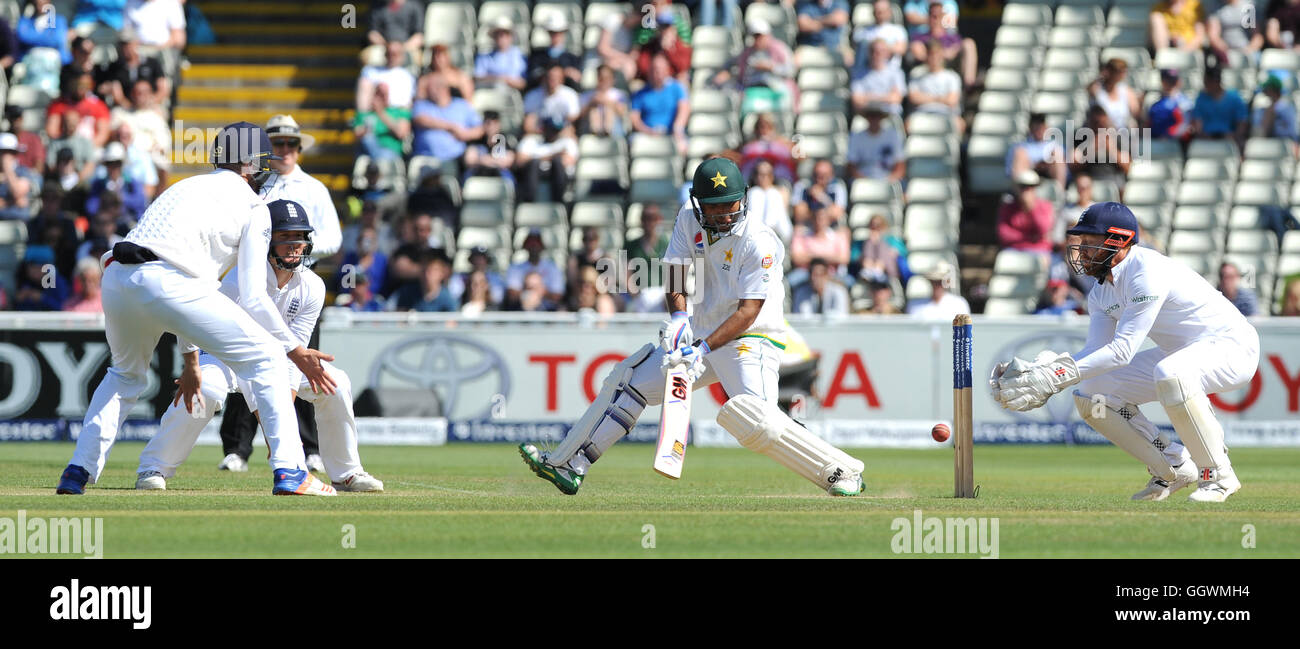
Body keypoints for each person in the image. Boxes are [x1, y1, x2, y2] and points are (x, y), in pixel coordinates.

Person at [518, 157, 867, 497]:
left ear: (743, 199)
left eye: (730, 205)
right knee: (628, 381)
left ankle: (841, 470)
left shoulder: (759, 241)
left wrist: (701, 348)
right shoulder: (689, 218)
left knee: (754, 419)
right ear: (699, 204)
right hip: (700, 333)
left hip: (751, 338)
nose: (724, 213)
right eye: (714, 207)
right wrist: (679, 320)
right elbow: (674, 274)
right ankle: (568, 464)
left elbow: (748, 311)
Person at [54, 121, 337, 497]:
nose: (268, 168)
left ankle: (78, 470)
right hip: (169, 280)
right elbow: (251, 297)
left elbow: (184, 284)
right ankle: (291, 471)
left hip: (118, 277)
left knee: (124, 376)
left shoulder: (184, 186)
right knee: (269, 357)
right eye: (263, 160)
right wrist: (295, 349)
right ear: (251, 163)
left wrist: (191, 362)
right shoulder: (256, 207)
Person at [991, 202, 1260, 503]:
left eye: (1090, 242)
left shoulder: (1147, 271)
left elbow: (1121, 352)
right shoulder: (1101, 292)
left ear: (1118, 241)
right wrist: (1049, 373)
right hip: (1183, 351)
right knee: (1092, 392)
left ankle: (1218, 476)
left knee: (1171, 373)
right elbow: (1098, 351)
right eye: (1081, 242)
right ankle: (1174, 465)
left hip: (1233, 347)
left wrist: (1055, 376)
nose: (1082, 250)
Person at [135, 199, 383, 492]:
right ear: (265, 241)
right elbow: (248, 365)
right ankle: (153, 467)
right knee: (208, 391)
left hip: (276, 360)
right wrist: (274, 435)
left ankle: (346, 473)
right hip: (222, 355)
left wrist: (280, 435)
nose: (295, 245)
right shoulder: (238, 280)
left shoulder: (313, 287)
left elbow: (293, 362)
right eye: (285, 237)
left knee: (336, 382)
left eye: (300, 237)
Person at [260, 115, 343, 262]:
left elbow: (333, 239)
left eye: (292, 143)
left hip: (303, 275)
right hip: (261, 272)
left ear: (299, 148)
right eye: (278, 143)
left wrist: (296, 247)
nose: (285, 149)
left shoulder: (315, 188)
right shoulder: (254, 186)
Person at [712, 18, 795, 120]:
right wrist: (726, 72)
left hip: (775, 90)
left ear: (767, 35)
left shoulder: (779, 49)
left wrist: (771, 67)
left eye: (760, 36)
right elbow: (732, 63)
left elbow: (790, 70)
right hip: (752, 91)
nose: (758, 39)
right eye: (755, 36)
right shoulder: (747, 53)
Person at [412, 76, 484, 161]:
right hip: (426, 158)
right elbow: (420, 119)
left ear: (444, 88)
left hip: (457, 158)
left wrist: (466, 134)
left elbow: (480, 129)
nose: (428, 91)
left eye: (433, 87)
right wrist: (450, 127)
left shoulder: (461, 105)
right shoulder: (421, 105)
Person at [907, 1, 977, 87]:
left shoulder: (952, 37)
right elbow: (918, 52)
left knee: (969, 43)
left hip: (949, 72)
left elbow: (957, 49)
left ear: (944, 17)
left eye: (939, 16)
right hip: (927, 73)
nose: (936, 19)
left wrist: (951, 51)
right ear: (928, 18)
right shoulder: (921, 37)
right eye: (933, 16)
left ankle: (969, 85)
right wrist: (939, 55)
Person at [630, 54, 690, 153]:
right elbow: (634, 118)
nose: (656, 73)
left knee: (681, 144)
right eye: (653, 69)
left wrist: (677, 128)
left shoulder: (676, 88)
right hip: (647, 134)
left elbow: (684, 109)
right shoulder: (641, 93)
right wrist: (648, 131)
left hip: (671, 133)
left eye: (659, 69)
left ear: (667, 70)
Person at [515, 115, 577, 203]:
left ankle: (559, 202)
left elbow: (568, 161)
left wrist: (540, 157)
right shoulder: (531, 141)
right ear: (543, 129)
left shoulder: (567, 142)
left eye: (556, 130)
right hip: (536, 174)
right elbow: (520, 161)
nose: (554, 133)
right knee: (534, 163)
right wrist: (553, 155)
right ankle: (528, 201)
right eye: (551, 129)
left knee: (557, 162)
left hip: (558, 175)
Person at [907, 40, 964, 134]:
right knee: (908, 124)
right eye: (931, 54)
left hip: (946, 114)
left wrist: (926, 98)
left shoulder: (952, 76)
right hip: (922, 113)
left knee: (959, 124)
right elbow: (914, 98)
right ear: (927, 56)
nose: (934, 58)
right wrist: (940, 98)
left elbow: (952, 100)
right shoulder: (916, 74)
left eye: (937, 54)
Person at [998, 170, 1056, 256]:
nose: (1026, 191)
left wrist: (1031, 208)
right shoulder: (1007, 207)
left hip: (1039, 250)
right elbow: (1003, 234)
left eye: (1030, 187)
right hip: (1014, 250)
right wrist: (1028, 237)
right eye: (1022, 187)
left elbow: (1043, 230)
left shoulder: (1046, 206)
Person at [506, 229, 566, 308]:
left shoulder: (553, 268)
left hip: (549, 310)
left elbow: (558, 295)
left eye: (537, 243)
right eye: (530, 243)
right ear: (525, 246)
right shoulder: (515, 268)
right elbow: (512, 294)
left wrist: (541, 291)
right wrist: (528, 291)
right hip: (521, 309)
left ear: (542, 246)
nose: (534, 246)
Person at [847, 103, 905, 182]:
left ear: (881, 117)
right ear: (866, 118)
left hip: (888, 179)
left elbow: (900, 165)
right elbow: (851, 166)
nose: (874, 119)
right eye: (871, 116)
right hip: (863, 180)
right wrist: (864, 181)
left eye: (877, 116)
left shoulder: (893, 136)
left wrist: (890, 179)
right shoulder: (856, 137)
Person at [1006, 113, 1066, 190]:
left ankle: (1059, 192)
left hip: (1049, 174)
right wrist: (1034, 165)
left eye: (1041, 126)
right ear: (1030, 128)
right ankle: (1020, 193)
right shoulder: (1020, 146)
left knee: (1057, 154)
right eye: (1036, 127)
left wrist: (1045, 165)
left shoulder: (1055, 145)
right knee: (1020, 154)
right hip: (1027, 174)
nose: (1039, 130)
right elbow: (1011, 171)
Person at [353, 82, 411, 161]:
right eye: (379, 93)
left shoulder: (398, 112)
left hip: (390, 152)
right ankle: (377, 163)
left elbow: (402, 133)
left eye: (384, 94)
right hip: (367, 153)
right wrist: (365, 130)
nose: (382, 97)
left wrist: (380, 113)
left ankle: (377, 164)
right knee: (368, 139)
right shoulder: (364, 114)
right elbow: (356, 135)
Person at [1191, 67, 1248, 144]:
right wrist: (1203, 136)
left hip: (1229, 139)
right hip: (1207, 139)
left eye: (1209, 82)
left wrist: (1236, 137)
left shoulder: (1234, 97)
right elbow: (1198, 123)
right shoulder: (1201, 99)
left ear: (1217, 81)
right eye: (1205, 82)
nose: (1206, 85)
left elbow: (1242, 121)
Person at [637, 7, 692, 85]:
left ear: (674, 29)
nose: (664, 31)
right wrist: (657, 69)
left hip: (673, 84)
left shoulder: (681, 46)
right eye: (662, 27)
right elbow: (642, 66)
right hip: (654, 83)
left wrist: (669, 51)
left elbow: (683, 68)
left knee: (682, 78)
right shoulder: (650, 45)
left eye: (667, 27)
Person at [527, 13, 582, 91]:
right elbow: (533, 78)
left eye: (559, 32)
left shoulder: (572, 58)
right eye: (552, 32)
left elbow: (576, 81)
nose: (556, 35)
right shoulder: (538, 56)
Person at [738, 112, 797, 185]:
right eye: (760, 126)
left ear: (773, 127)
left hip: (780, 182)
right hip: (752, 182)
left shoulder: (785, 145)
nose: (764, 130)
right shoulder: (748, 146)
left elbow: (799, 156)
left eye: (768, 126)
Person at [852, 0, 908, 76]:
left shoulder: (898, 30)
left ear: (889, 12)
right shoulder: (862, 32)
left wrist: (879, 47)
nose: (880, 14)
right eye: (877, 11)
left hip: (890, 73)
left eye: (883, 11)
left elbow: (902, 49)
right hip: (866, 73)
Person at [357, 40, 416, 111]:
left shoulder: (408, 76)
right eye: (389, 53)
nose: (391, 57)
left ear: (402, 56)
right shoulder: (370, 71)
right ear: (385, 54)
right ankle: (362, 116)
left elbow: (408, 103)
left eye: (395, 54)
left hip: (398, 114)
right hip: (374, 111)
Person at [522, 63, 581, 134]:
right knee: (525, 144)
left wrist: (558, 129)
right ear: (544, 78)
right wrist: (541, 131)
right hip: (539, 134)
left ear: (562, 79)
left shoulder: (570, 95)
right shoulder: (533, 96)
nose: (553, 80)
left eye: (556, 77)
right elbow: (528, 124)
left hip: (561, 134)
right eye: (550, 77)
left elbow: (572, 120)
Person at [851, 40, 906, 116]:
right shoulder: (858, 74)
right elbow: (856, 100)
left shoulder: (896, 73)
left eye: (881, 51)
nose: (876, 54)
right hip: (868, 116)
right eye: (873, 51)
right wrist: (886, 97)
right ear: (868, 53)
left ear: (887, 53)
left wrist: (868, 97)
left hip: (890, 115)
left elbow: (896, 98)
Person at [1088, 58, 1143, 132]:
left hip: (1123, 134)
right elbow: (1089, 89)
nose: (1122, 75)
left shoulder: (1126, 91)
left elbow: (1136, 113)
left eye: (1123, 72)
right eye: (1118, 72)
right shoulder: (1097, 89)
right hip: (1101, 132)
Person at [474, 16, 527, 92]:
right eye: (497, 34)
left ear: (511, 37)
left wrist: (504, 80)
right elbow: (478, 78)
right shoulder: (483, 55)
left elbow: (522, 83)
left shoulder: (519, 55)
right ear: (493, 37)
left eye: (505, 34)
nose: (501, 38)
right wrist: (499, 79)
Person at [393, 249, 457, 312]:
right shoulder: (406, 294)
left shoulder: (449, 300)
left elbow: (452, 321)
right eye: (424, 270)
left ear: (442, 273)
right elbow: (400, 319)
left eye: (432, 270)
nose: (427, 275)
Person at [745, 160, 793, 244]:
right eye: (760, 174)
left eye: (767, 174)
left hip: (778, 235)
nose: (764, 178)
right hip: (755, 236)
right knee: (756, 192)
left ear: (772, 176)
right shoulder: (751, 193)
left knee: (772, 193)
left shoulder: (779, 192)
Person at [791, 158, 848, 227]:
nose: (819, 179)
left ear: (831, 175)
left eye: (824, 176)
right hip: (808, 228)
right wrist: (820, 215)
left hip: (831, 229)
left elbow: (837, 213)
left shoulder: (838, 187)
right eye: (816, 174)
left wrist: (821, 197)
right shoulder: (802, 186)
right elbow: (799, 215)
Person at [578, 64, 628, 137]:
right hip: (590, 132)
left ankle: (607, 133)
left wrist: (606, 102)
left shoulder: (620, 95)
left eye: (607, 78)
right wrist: (591, 104)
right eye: (601, 77)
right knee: (593, 110)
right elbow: (579, 115)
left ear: (612, 79)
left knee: (608, 110)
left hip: (615, 131)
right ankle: (595, 133)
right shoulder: (587, 95)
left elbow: (623, 113)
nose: (604, 81)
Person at [1209, 0, 1263, 64]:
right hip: (1226, 52)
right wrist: (1227, 51)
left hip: (1248, 51)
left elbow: (1257, 37)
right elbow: (1214, 36)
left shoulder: (1249, 6)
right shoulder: (1216, 6)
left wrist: (1248, 50)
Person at [1252, 74, 1298, 144]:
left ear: (1273, 90)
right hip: (1267, 144)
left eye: (1267, 89)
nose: (1265, 92)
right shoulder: (1263, 107)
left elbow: (1291, 132)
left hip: (1285, 144)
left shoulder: (1285, 107)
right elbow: (1260, 131)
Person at [1148, 69, 1193, 140]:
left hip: (1176, 143)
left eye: (1173, 81)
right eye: (1168, 81)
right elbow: (1147, 125)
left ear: (1178, 82)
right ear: (1162, 82)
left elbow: (1185, 126)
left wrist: (1169, 135)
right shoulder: (1153, 100)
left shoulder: (1184, 102)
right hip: (1155, 141)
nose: (1170, 84)